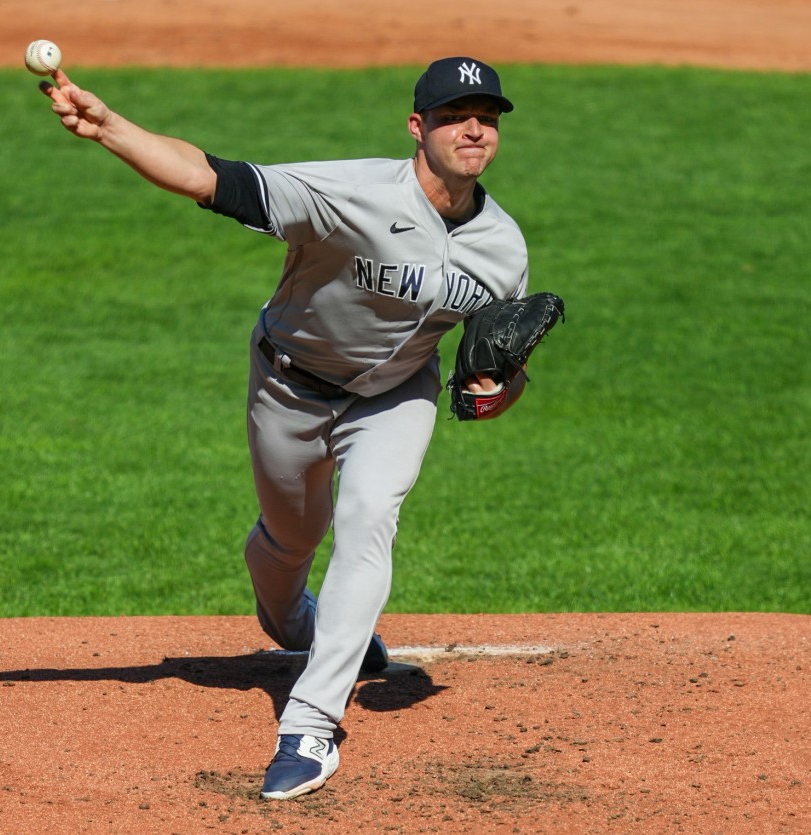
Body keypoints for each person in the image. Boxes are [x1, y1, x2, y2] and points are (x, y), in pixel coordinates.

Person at [38, 56, 529, 800]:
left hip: (394, 398)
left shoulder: (504, 247)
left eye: (486, 119)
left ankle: (309, 722)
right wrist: (110, 128)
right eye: (454, 117)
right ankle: (295, 620)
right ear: (417, 127)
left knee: (368, 517)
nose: (473, 130)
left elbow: (502, 364)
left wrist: (497, 390)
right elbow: (210, 177)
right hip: (287, 386)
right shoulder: (351, 194)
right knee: (290, 539)